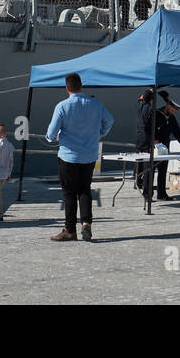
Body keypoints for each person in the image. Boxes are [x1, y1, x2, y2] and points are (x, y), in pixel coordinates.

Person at [45, 73, 113, 242]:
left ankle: (69, 230)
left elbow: (51, 133)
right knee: (84, 190)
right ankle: (86, 223)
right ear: (81, 86)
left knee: (69, 193)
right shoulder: (96, 104)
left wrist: (52, 137)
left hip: (69, 156)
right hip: (89, 155)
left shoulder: (62, 106)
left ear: (67, 88)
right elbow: (110, 121)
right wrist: (99, 134)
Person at [150, 91, 180, 200]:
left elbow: (177, 132)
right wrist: (155, 141)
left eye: (176, 110)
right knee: (151, 170)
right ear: (168, 106)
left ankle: (161, 193)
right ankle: (148, 194)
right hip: (154, 146)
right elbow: (150, 129)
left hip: (165, 147)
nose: (174, 112)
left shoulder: (171, 118)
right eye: (173, 109)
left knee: (163, 170)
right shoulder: (157, 114)